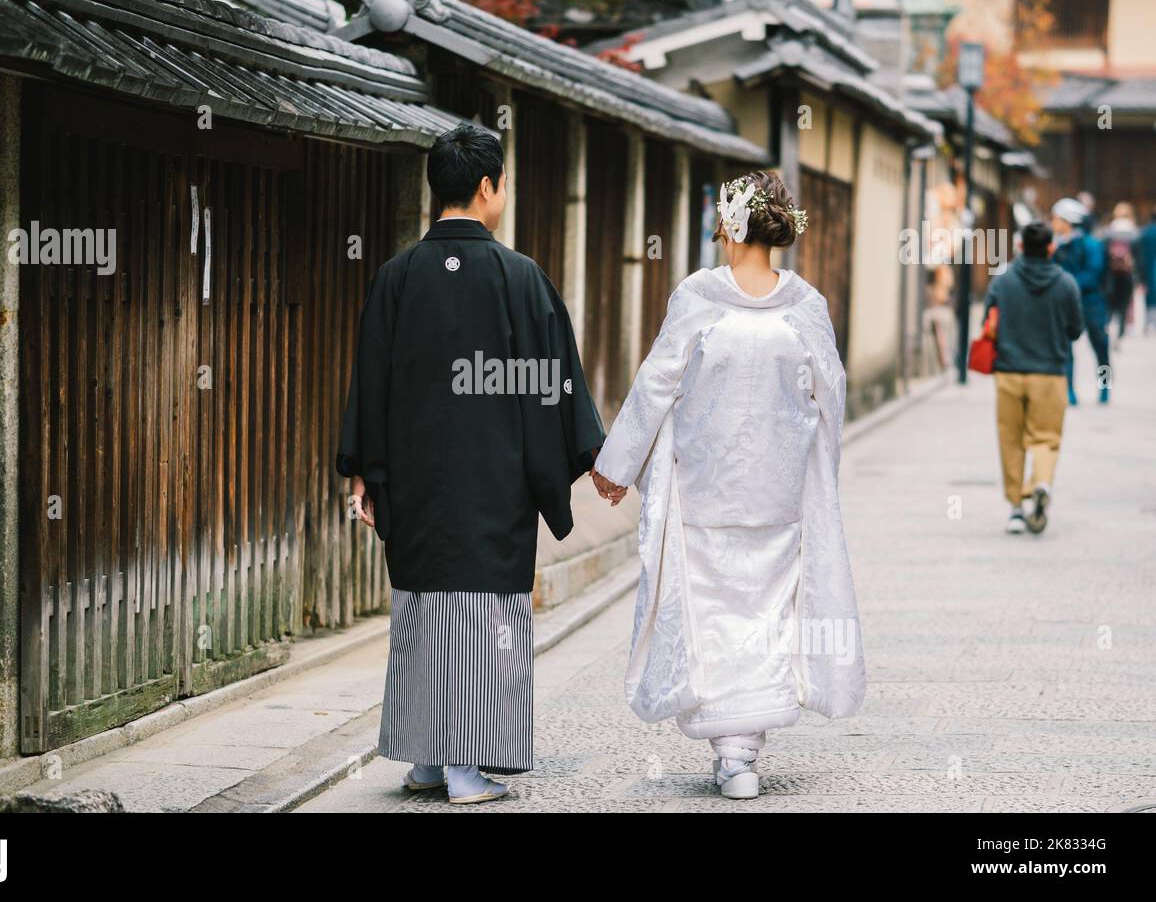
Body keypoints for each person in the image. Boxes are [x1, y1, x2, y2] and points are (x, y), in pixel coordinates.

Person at [336, 124, 605, 805]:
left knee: (424, 612)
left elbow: (370, 384)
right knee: (485, 622)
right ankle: (464, 770)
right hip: (495, 486)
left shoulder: (395, 278)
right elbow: (556, 390)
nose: (504, 192)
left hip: (419, 486)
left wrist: (367, 474)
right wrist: (581, 460)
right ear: (488, 187)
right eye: (504, 182)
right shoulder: (521, 281)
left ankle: (427, 758)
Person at [589, 172, 866, 800]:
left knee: (714, 610)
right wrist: (818, 461)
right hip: (777, 487)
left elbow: (659, 379)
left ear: (734, 225)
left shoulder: (700, 295)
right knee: (764, 614)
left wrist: (617, 464)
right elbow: (832, 394)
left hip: (711, 482)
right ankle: (741, 752)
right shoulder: (805, 305)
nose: (715, 226)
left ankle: (733, 749)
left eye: (720, 216)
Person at [982, 221, 1084, 535]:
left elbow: (988, 321)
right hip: (1050, 374)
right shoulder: (1066, 283)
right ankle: (1041, 483)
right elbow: (1076, 330)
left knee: (1011, 439)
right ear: (1051, 247)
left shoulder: (1003, 281)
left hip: (1010, 373)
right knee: (1045, 438)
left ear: (1021, 247)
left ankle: (1015, 509)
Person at [1051, 197, 1110, 404]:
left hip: (1092, 302)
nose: (1053, 222)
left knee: (1101, 347)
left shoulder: (1092, 245)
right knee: (1065, 349)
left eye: (1056, 218)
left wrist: (1066, 284)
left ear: (1068, 220)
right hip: (1066, 304)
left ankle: (1105, 387)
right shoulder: (1056, 247)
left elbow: (1094, 273)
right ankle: (1069, 390)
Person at [1101, 202, 1139, 340]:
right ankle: (1121, 330)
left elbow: (1103, 251)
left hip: (1112, 271)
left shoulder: (1110, 231)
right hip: (1127, 272)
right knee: (1124, 302)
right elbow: (1138, 255)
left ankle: (1107, 325)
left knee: (1111, 301)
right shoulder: (1134, 232)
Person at [1138, 205, 1156, 334]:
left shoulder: (1145, 233)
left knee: (1149, 294)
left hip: (1148, 269)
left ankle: (1149, 323)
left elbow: (1141, 256)